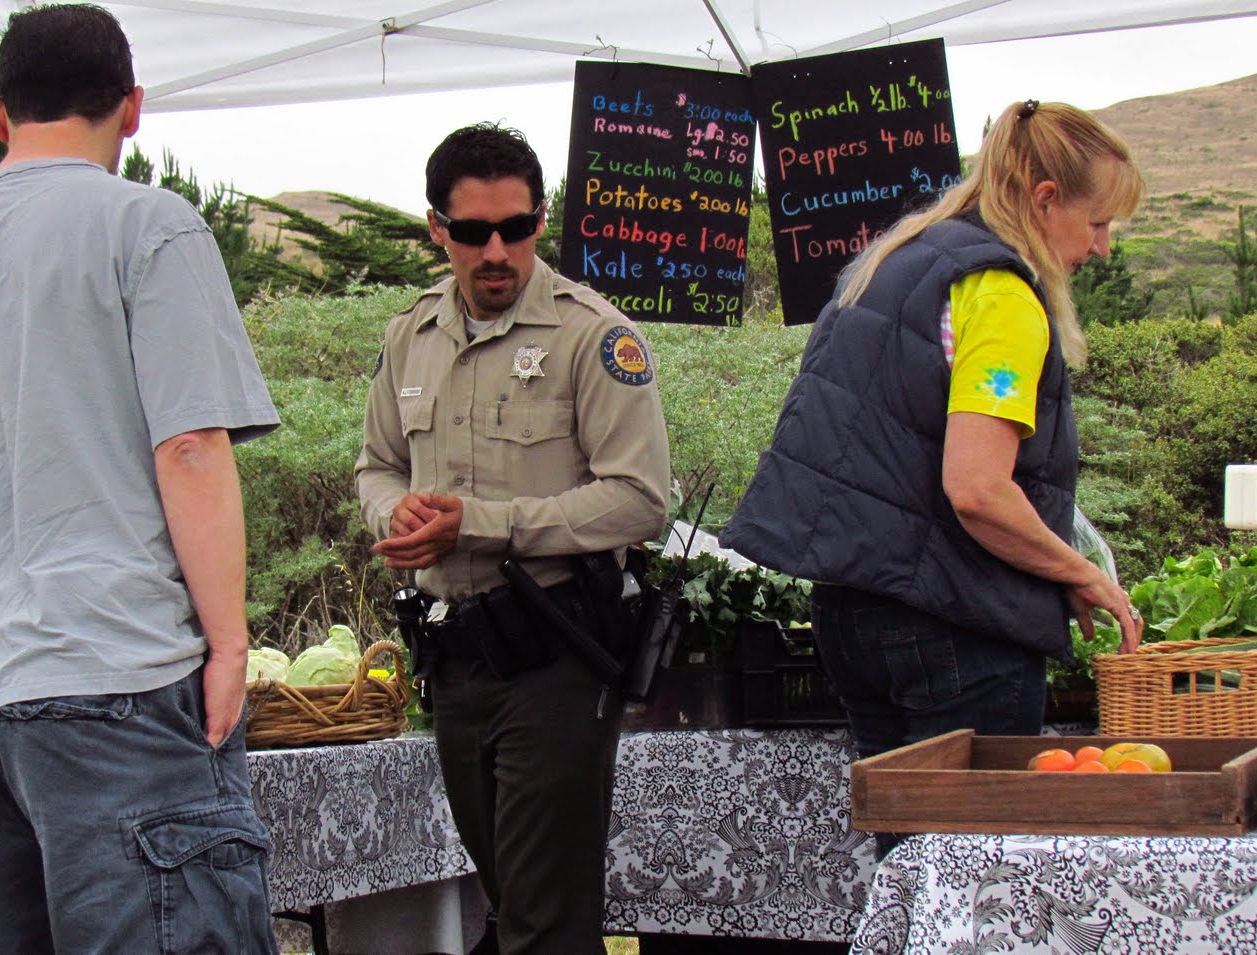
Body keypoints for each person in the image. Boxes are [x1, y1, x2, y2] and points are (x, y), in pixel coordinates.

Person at [0, 5, 281, 952]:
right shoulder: (149, 226)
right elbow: (190, 449)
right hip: (119, 675)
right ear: (133, 109)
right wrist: (227, 642)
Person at [721, 100, 1146, 769]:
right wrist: (1079, 571)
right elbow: (976, 488)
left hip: (853, 612)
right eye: (1097, 222)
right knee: (970, 866)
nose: (1102, 246)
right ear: (1044, 198)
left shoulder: (900, 258)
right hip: (956, 625)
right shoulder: (1000, 294)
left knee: (909, 864)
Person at [355, 122, 670, 954]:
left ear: (540, 221)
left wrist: (482, 525)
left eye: (518, 227)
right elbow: (376, 465)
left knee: (543, 921)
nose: (497, 251)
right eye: (472, 233)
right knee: (512, 903)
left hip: (555, 654)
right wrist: (398, 517)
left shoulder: (594, 335)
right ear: (438, 230)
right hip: (455, 662)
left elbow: (640, 501)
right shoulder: (409, 336)